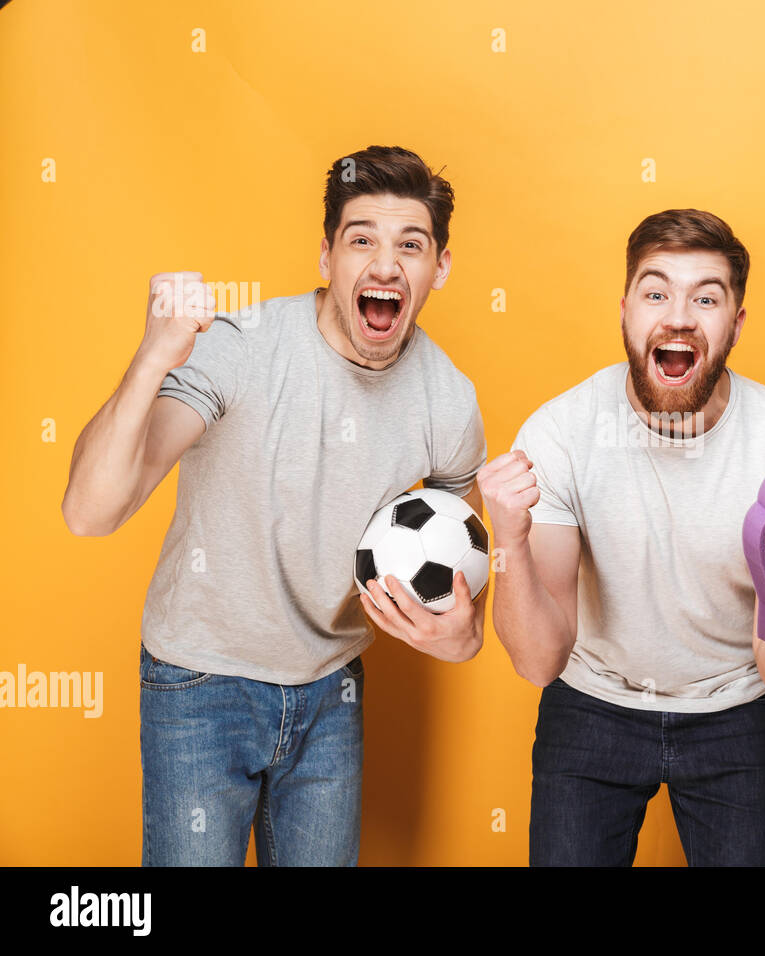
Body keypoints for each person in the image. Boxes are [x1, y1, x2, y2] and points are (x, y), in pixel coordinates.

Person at [60, 145, 488, 866]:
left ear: (439, 267)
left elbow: (465, 567)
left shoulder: (447, 399)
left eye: (410, 245)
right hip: (199, 682)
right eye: (362, 240)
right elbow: (89, 512)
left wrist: (462, 635)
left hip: (331, 690)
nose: (385, 266)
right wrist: (152, 357)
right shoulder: (240, 350)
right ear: (327, 257)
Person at [479, 208, 765, 866]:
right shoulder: (562, 433)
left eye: (706, 298)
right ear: (626, 312)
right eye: (657, 293)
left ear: (736, 323)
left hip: (738, 711)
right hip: (592, 706)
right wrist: (507, 542)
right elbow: (539, 662)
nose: (679, 317)